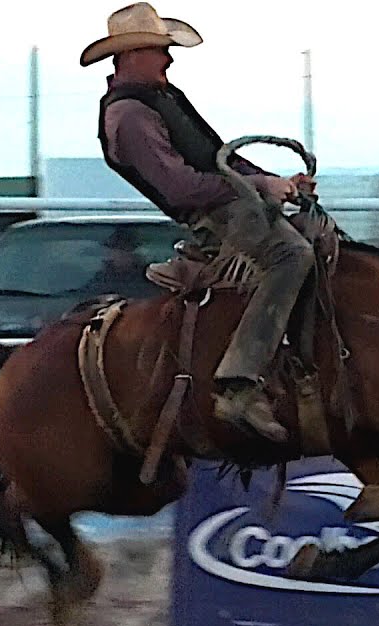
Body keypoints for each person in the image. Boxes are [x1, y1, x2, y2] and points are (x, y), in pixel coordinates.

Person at [81, 3, 315, 444]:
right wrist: (261, 185)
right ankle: (240, 381)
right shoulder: (129, 115)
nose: (168, 59)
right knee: (290, 256)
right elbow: (180, 188)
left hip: (231, 208)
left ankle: (304, 362)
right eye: (159, 50)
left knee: (319, 241)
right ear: (131, 56)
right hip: (213, 220)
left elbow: (219, 158)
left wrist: (275, 182)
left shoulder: (161, 99)